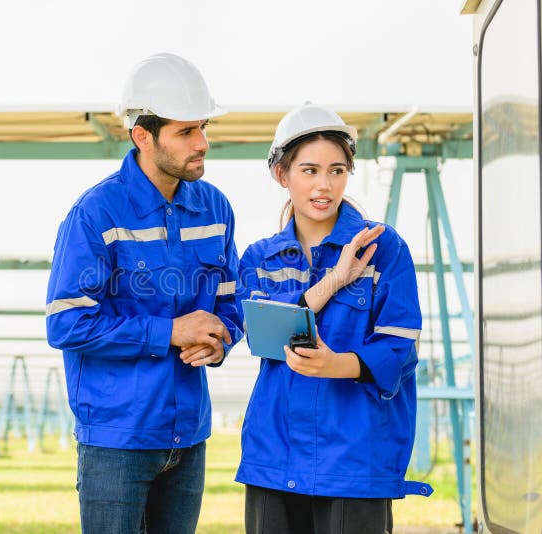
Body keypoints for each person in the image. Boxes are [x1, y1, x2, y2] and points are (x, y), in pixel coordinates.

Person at [45, 53, 244, 534]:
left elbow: (229, 305)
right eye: (187, 132)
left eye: (203, 128)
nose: (203, 143)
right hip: (118, 441)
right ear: (143, 135)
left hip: (190, 435)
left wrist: (219, 340)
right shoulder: (96, 214)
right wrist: (172, 331)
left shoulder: (215, 207)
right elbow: (66, 323)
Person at [233, 103, 432, 534]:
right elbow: (265, 337)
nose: (324, 186)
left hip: (355, 457)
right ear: (281, 175)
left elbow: (400, 348)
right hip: (275, 454)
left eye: (337, 171)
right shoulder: (259, 259)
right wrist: (336, 279)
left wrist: (339, 365)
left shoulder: (383, 247)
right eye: (309, 171)